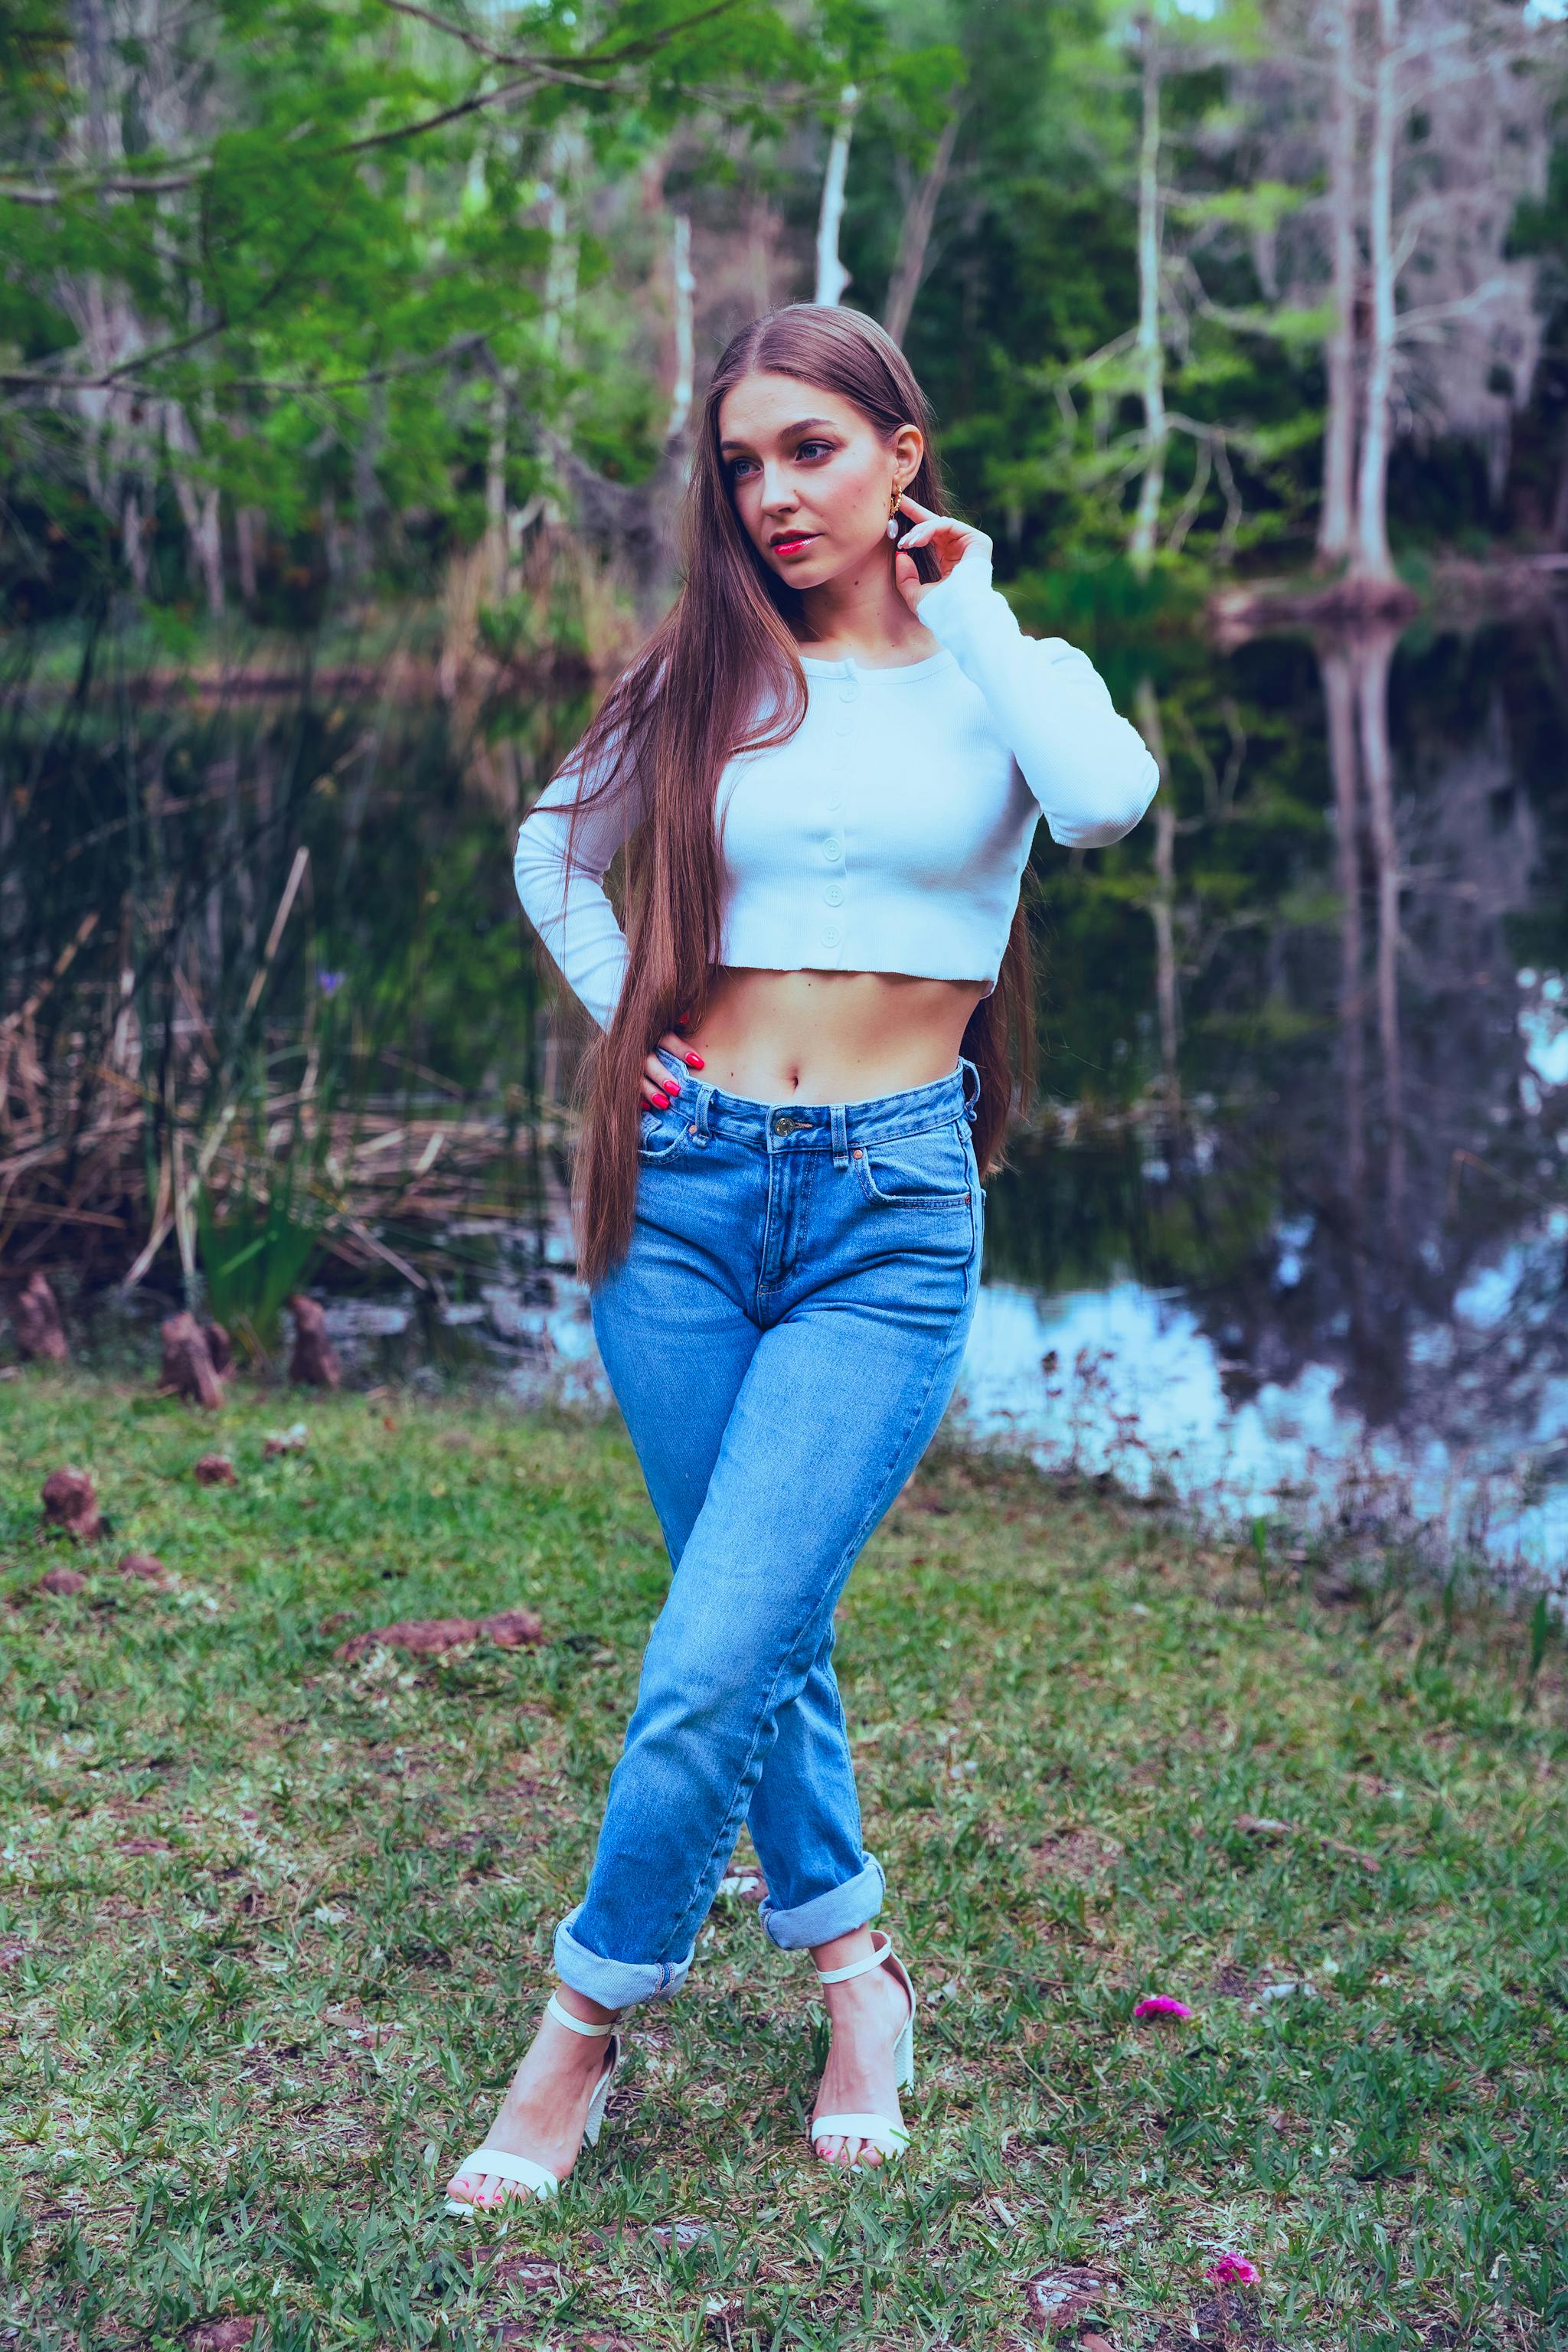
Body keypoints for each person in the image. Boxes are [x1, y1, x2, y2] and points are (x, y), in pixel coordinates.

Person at [446, 302, 1158, 2212]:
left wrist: (975, 604)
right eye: (741, 464)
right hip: (680, 1203)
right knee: (756, 1629)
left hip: (885, 1215)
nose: (771, 494)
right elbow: (548, 855)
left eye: (812, 452)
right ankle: (858, 1977)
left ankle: (574, 2038)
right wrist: (633, 1037)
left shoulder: (1010, 679)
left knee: (710, 1654)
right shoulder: (696, 675)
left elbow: (1098, 802)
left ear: (900, 455)